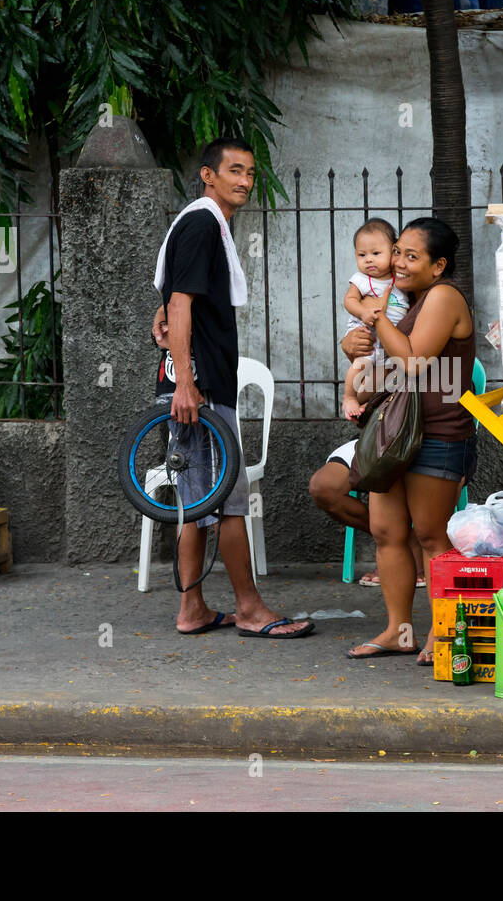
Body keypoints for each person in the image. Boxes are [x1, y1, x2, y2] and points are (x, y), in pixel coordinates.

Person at [153, 136, 314, 639]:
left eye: (249, 172)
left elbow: (174, 303)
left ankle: (192, 609)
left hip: (194, 380)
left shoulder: (202, 224)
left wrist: (168, 334)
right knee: (229, 498)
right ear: (209, 175)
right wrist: (185, 384)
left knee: (196, 500)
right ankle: (249, 609)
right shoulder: (202, 223)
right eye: (235, 171)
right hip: (197, 387)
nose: (245, 181)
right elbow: (179, 304)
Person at [341, 217, 475, 663]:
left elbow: (415, 361)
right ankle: (399, 631)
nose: (396, 262)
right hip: (394, 434)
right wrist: (356, 354)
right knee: (386, 533)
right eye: (396, 251)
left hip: (437, 434)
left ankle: (446, 631)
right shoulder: (407, 300)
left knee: (432, 535)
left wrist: (376, 319)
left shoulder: (443, 296)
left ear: (438, 266)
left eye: (410, 256)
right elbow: (395, 368)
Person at [308, 443, 425, 587]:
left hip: (430, 441)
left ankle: (404, 547)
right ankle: (403, 540)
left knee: (392, 468)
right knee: (322, 487)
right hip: (376, 437)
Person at [341, 218, 410, 421]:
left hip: (390, 339)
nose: (368, 259)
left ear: (392, 252)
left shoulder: (401, 278)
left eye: (376, 253)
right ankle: (349, 397)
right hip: (366, 331)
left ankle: (368, 404)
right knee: (361, 365)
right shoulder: (362, 279)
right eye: (362, 255)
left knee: (384, 373)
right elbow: (349, 300)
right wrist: (363, 313)